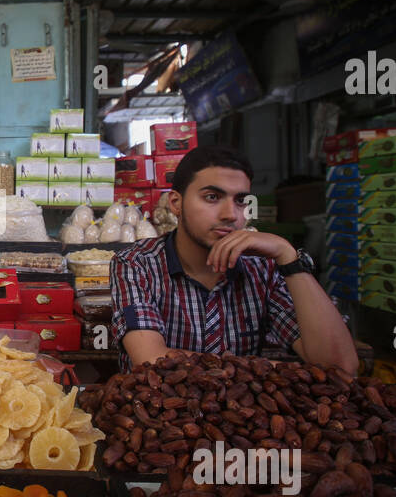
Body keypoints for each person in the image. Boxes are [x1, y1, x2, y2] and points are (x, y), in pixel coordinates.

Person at [111, 145, 357, 375]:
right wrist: (270, 368)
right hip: (163, 414)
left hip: (244, 417)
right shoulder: (137, 263)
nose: (231, 214)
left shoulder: (263, 268)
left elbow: (340, 367)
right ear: (176, 203)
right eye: (211, 197)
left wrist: (288, 256)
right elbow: (151, 360)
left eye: (240, 201)